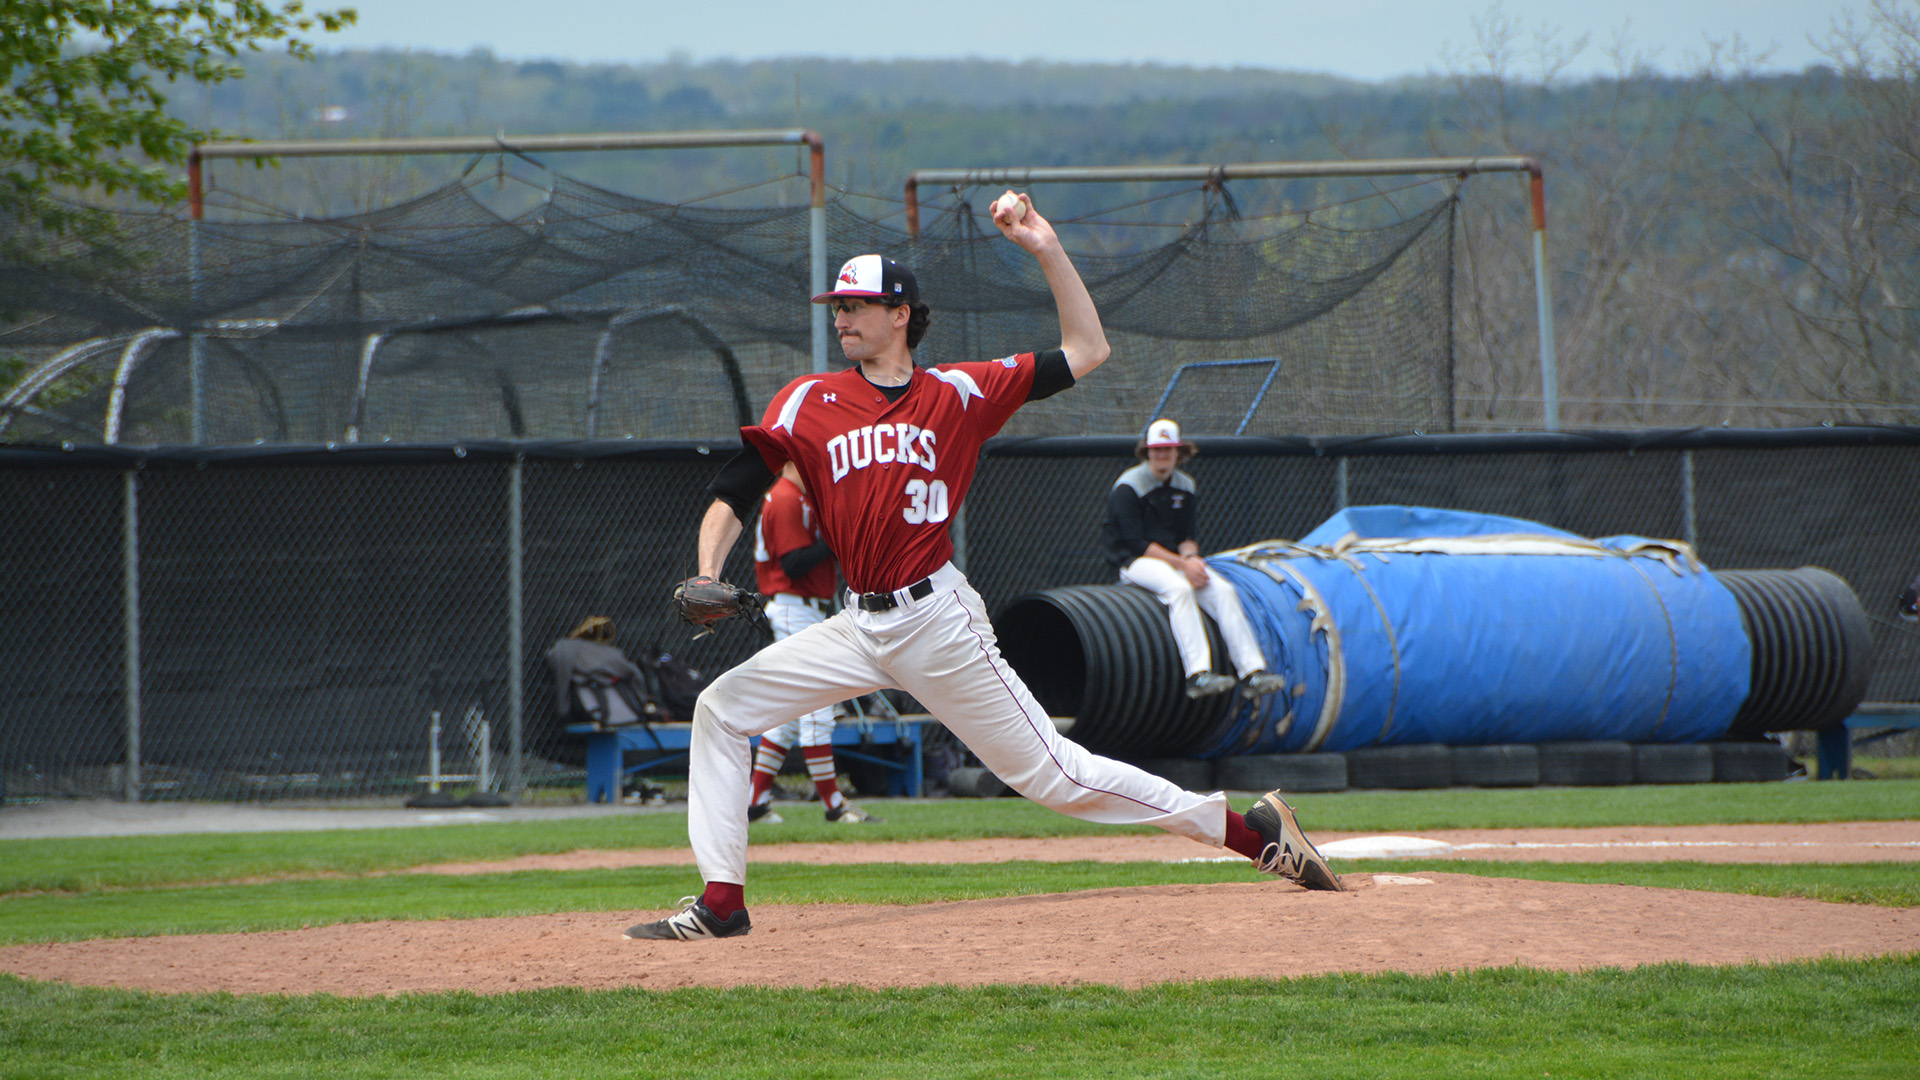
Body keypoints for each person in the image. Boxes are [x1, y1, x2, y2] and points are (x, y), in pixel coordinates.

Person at [625, 191, 1342, 943]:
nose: (842, 317)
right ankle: (722, 903)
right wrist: (706, 569)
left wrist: (1046, 248)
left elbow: (1088, 349)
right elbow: (736, 490)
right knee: (722, 709)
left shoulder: (960, 392)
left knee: (1056, 777)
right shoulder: (808, 400)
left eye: (857, 305)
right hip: (856, 624)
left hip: (936, 622)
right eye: (838, 306)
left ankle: (1253, 834)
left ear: (900, 314)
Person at [1102, 419, 1288, 701]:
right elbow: (1136, 543)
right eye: (1156, 449)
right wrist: (1183, 565)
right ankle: (1198, 674)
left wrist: (1192, 559)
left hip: (1174, 561)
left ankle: (1252, 673)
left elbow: (1186, 536)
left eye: (1167, 449)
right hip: (1133, 562)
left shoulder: (1185, 484)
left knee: (1223, 590)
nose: (1162, 455)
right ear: (1147, 451)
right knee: (1179, 589)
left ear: (1178, 452)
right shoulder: (1128, 486)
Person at [746, 461, 879, 825]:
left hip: (803, 608)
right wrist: (833, 541)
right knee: (819, 707)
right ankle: (834, 806)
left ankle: (756, 803)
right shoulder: (787, 497)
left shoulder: (799, 496)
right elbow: (793, 563)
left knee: (789, 714)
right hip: (794, 607)